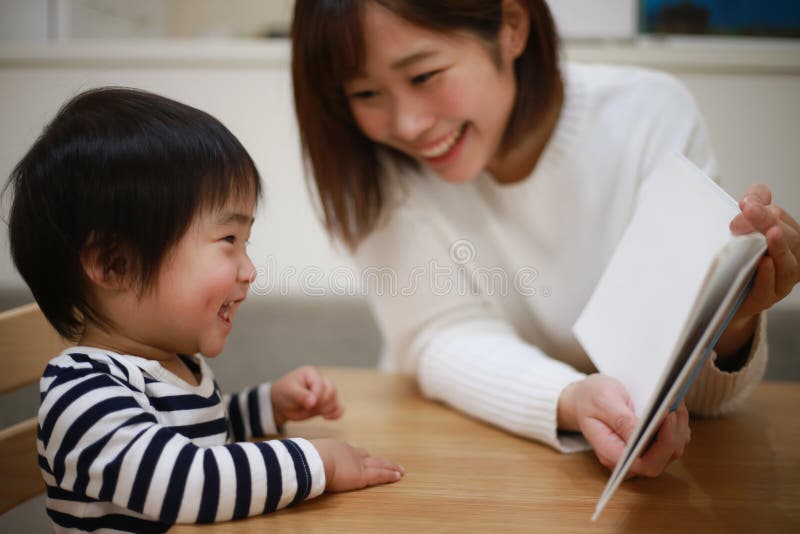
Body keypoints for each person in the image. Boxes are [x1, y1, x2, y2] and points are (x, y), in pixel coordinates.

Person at [290, 0, 800, 477]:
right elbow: (439, 336)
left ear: (511, 26)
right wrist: (571, 399)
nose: (407, 124)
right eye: (365, 93)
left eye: (424, 75)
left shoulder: (648, 117)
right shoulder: (375, 164)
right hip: (441, 452)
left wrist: (733, 318)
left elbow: (702, 404)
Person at [5, 87, 404, 532]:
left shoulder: (174, 366)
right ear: (114, 264)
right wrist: (315, 462)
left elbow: (204, 430)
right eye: (228, 240)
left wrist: (268, 405)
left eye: (246, 242)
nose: (250, 270)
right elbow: (184, 481)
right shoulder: (82, 393)